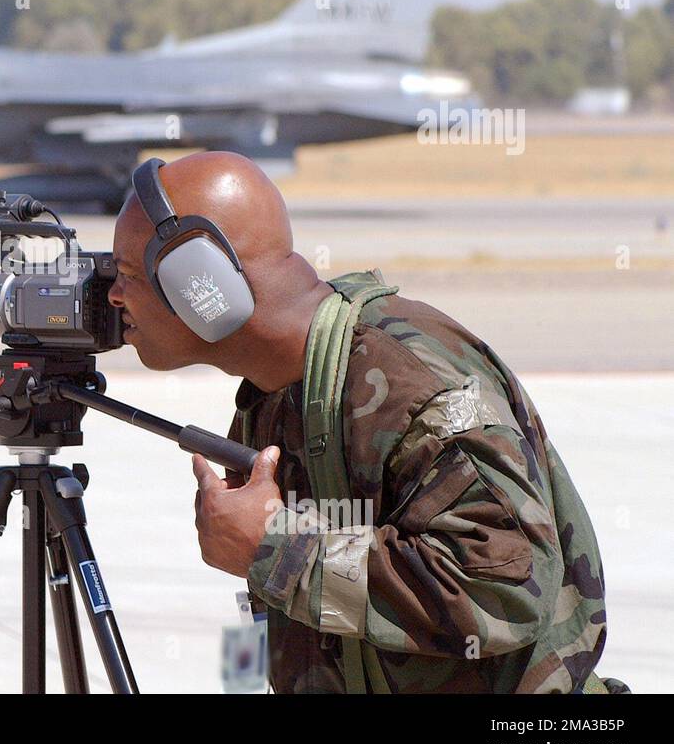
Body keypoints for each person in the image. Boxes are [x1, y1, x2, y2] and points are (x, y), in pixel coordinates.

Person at [107, 151, 608, 693]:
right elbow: (279, 611)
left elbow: (504, 586)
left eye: (129, 275)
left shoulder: (411, 386)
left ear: (202, 287)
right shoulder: (276, 394)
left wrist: (276, 548)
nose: (112, 295)